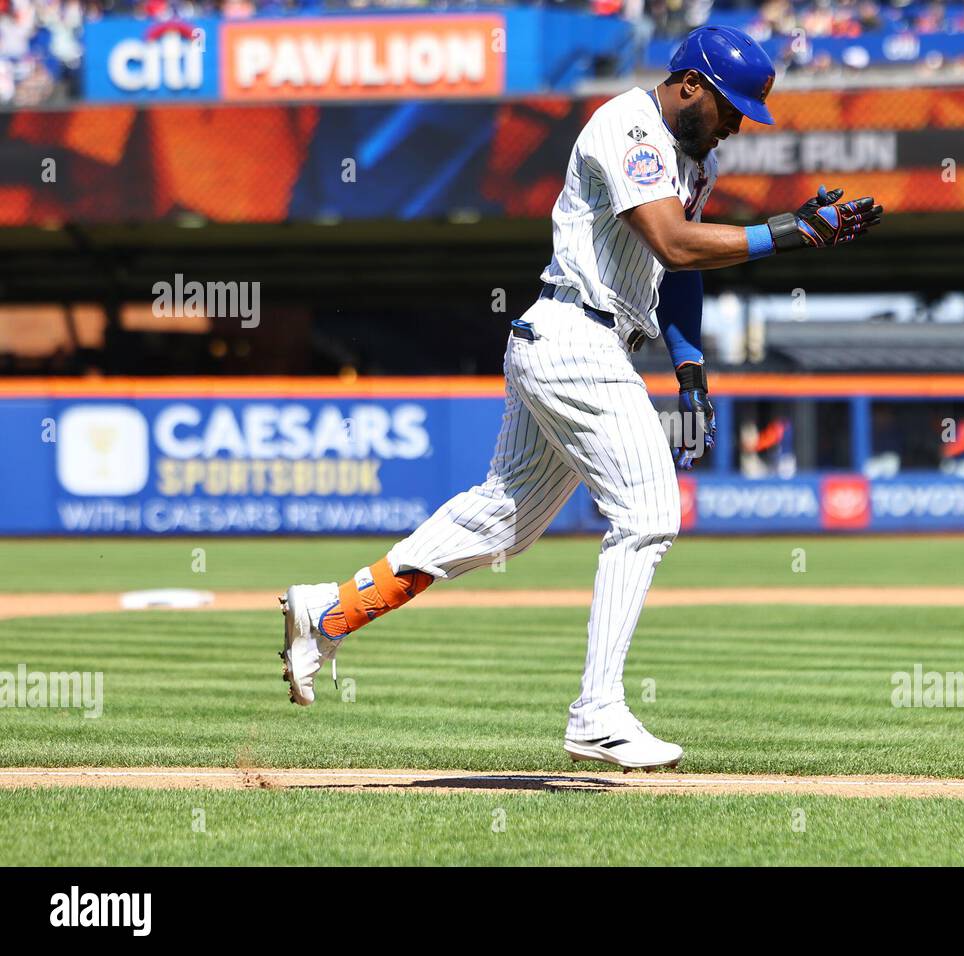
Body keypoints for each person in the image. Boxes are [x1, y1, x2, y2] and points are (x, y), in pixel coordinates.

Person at [277, 25, 883, 771]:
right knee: (650, 513)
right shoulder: (627, 125)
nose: (734, 124)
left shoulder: (697, 155)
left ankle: (327, 612)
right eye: (728, 107)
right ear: (689, 83)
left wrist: (689, 368)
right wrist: (789, 232)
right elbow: (673, 243)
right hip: (575, 337)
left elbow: (680, 271)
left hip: (580, 341)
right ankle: (597, 712)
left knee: (501, 523)